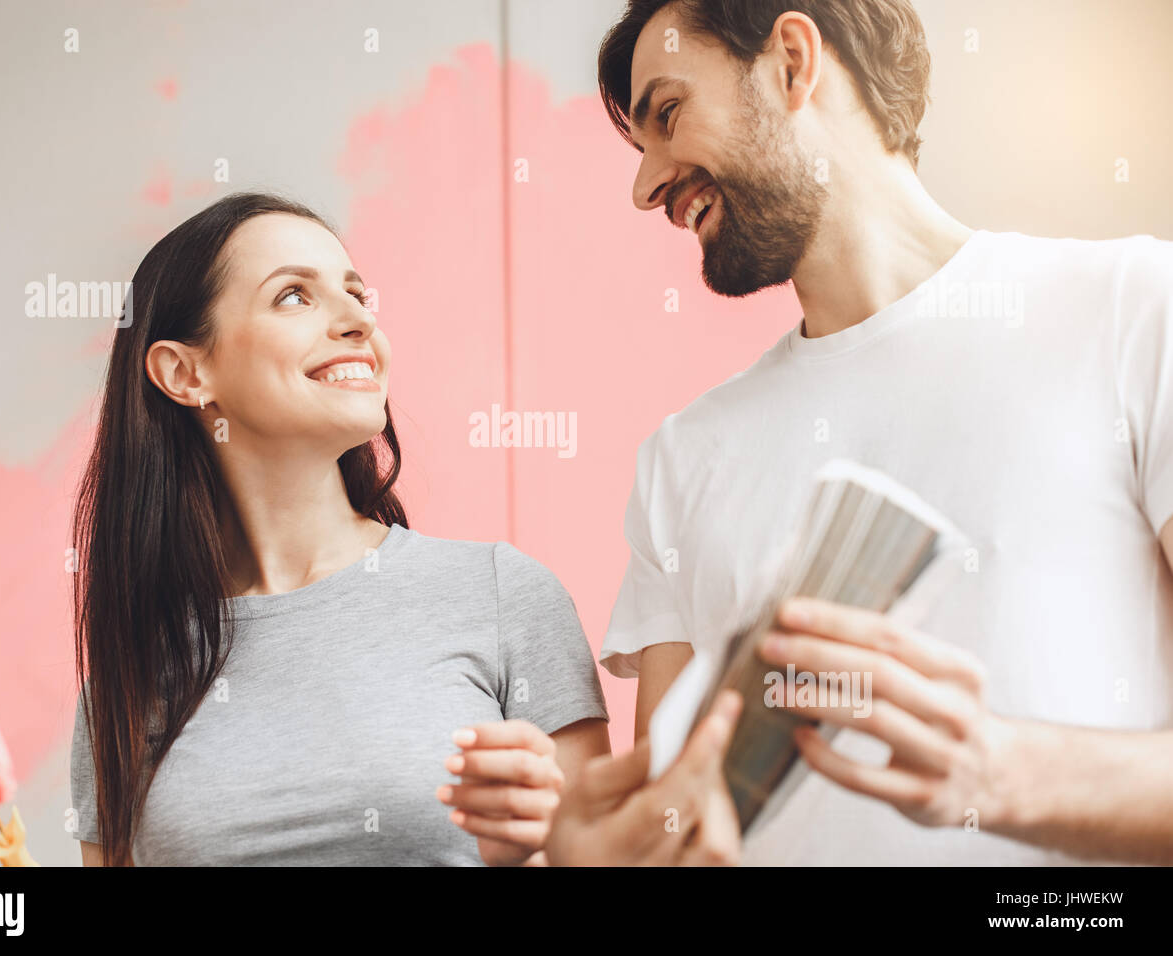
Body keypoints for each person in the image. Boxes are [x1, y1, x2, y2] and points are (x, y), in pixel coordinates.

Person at [558, 0, 1173, 865]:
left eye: (668, 114)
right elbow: (670, 831)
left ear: (793, 62)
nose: (645, 184)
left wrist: (998, 776)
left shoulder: (1136, 311)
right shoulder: (680, 459)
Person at [69, 192, 609, 866]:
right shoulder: (132, 670)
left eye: (357, 295)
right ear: (186, 372)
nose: (356, 320)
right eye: (294, 296)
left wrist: (522, 856)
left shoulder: (501, 594)